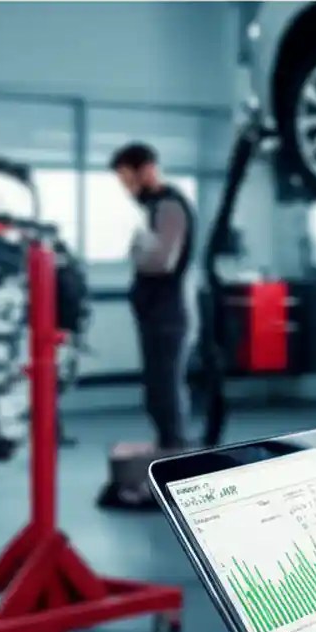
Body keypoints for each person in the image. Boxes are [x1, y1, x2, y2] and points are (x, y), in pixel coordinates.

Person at [111, 142, 200, 454]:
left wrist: (137, 245)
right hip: (155, 313)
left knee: (165, 388)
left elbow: (162, 261)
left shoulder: (170, 205)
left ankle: (175, 451)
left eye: (128, 179)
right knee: (156, 389)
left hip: (169, 315)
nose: (126, 188)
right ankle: (167, 446)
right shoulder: (154, 208)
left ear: (147, 170)